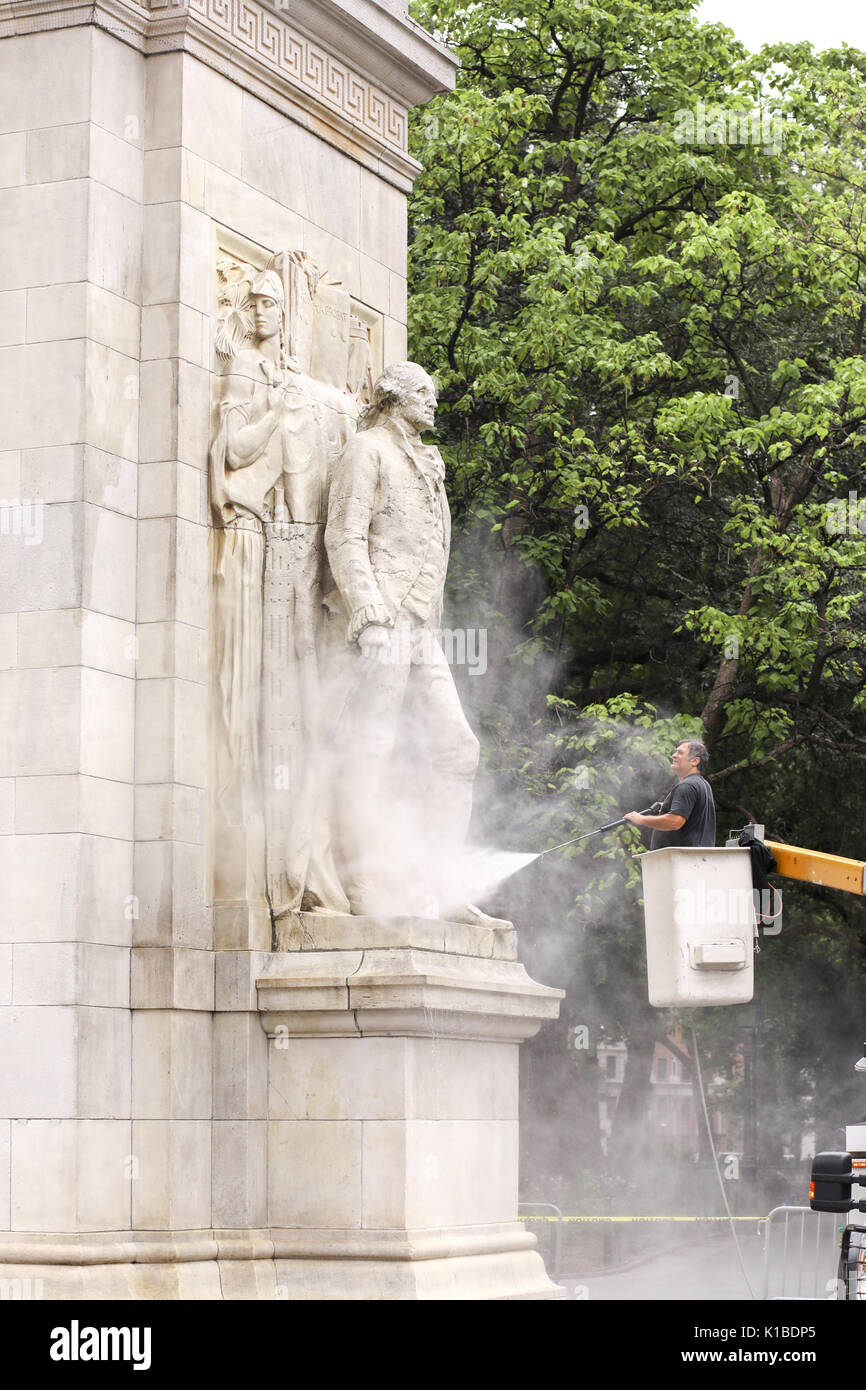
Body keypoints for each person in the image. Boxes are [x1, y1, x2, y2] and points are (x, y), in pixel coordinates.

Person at [324, 361, 502, 924]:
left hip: (422, 629)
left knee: (458, 749)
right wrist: (369, 608)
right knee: (372, 746)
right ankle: (365, 883)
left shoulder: (430, 463)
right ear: (394, 396)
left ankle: (442, 888)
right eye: (423, 391)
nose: (433, 400)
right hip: (383, 622)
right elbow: (343, 534)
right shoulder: (368, 450)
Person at [623, 740, 716, 848]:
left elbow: (674, 821)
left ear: (695, 761)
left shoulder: (686, 786)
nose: (674, 755)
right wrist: (669, 806)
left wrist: (641, 819)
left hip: (681, 860)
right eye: (675, 752)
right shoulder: (702, 784)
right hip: (695, 859)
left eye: (680, 753)